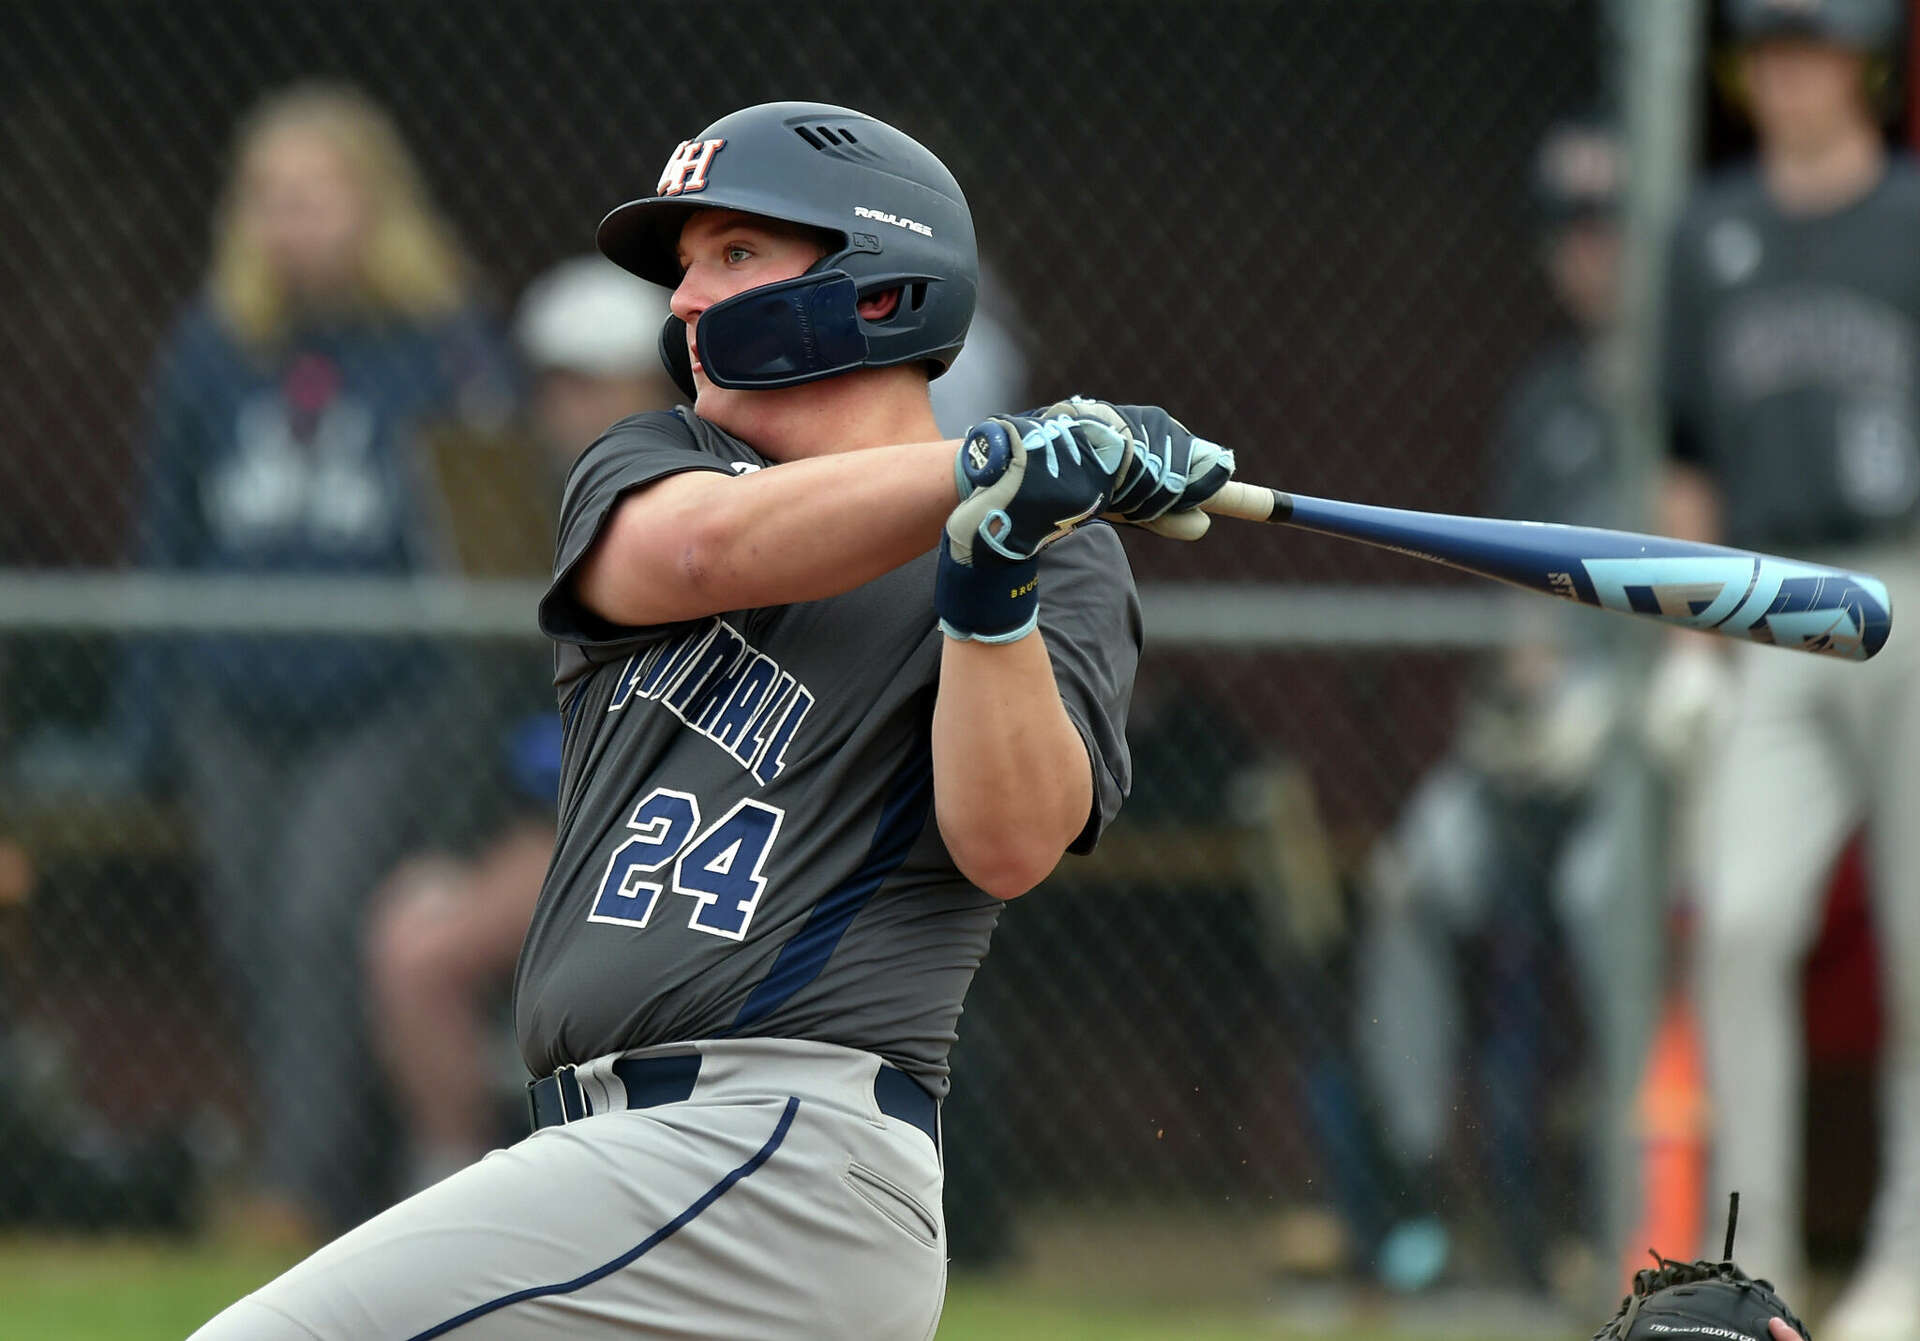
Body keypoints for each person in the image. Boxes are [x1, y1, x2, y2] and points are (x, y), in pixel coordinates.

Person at [190, 99, 1233, 1339]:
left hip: (777, 1152)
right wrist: (991, 464)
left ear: (882, 288)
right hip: (628, 1167)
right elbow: (696, 554)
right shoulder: (648, 466)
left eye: (736, 256)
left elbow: (1010, 842)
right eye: (684, 267)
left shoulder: (1054, 562)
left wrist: (994, 565)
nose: (684, 300)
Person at [129, 82, 515, 1241]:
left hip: (380, 698)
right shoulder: (211, 344)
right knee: (254, 933)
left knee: (319, 922)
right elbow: (165, 533)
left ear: (373, 205)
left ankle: (302, 1193)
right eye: (268, 200)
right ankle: (320, 1179)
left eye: (314, 197)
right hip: (233, 697)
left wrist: (463, 729)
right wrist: (148, 714)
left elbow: (488, 547)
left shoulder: (444, 343)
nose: (289, 223)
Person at [1349, 118, 1651, 1296]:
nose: (1588, 255)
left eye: (1610, 229)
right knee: (1412, 880)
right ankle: (1421, 1184)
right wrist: (1527, 692)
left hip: (1654, 749)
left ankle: (1625, 1208)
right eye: (1569, 234)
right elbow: (1520, 601)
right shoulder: (1544, 394)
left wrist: (1630, 688)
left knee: (1597, 904)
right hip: (1545, 740)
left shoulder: (1690, 382)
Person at [1659, 2, 1920, 1335]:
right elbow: (1688, 451)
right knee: (1746, 920)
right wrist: (1693, 656)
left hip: (1914, 582)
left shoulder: (1910, 215)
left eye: (1811, 51)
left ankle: (1908, 1263)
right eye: (1768, 53)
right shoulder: (1709, 232)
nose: (1788, 76)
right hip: (1768, 599)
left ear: (1863, 66)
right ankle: (1750, 1269)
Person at [364, 256, 677, 1196]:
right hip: (552, 826)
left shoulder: (709, 492)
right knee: (410, 944)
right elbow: (483, 711)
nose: (572, 405)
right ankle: (446, 1193)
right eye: (557, 381)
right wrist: (449, 847)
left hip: (675, 827)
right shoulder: (509, 515)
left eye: (598, 380)